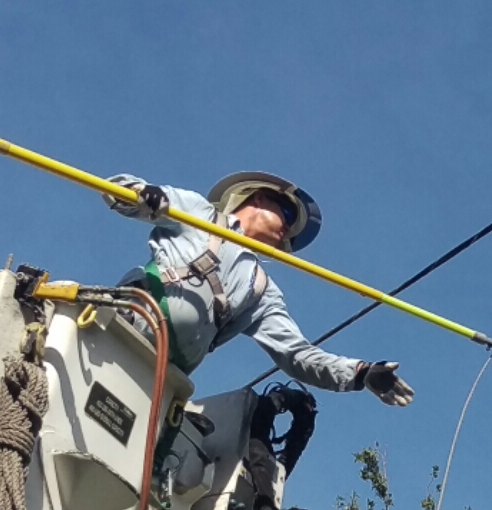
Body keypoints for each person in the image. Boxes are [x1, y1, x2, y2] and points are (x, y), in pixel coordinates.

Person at [104, 171, 415, 407]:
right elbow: (117, 192)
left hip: (163, 377)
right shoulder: (200, 214)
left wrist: (360, 373)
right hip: (122, 331)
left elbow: (297, 354)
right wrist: (141, 194)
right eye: (289, 214)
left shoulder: (261, 289)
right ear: (260, 198)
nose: (288, 231)